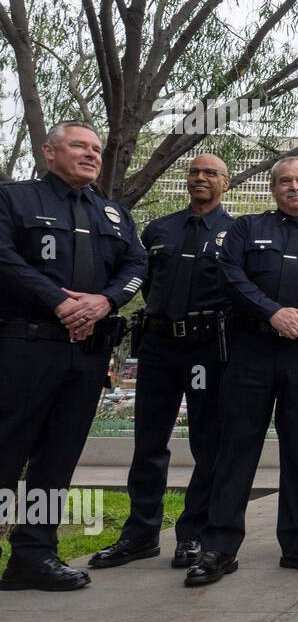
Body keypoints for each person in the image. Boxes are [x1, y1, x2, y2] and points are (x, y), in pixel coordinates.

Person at [185, 156, 298, 587]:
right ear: (273, 188)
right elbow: (230, 276)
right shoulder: (245, 229)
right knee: (236, 449)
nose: (294, 187)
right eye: (285, 181)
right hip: (252, 352)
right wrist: (274, 312)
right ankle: (219, 547)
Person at [0, 121, 146, 591]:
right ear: (49, 152)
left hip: (85, 353)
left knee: (57, 458)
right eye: (79, 146)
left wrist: (105, 302)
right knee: (6, 450)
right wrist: (57, 301)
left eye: (97, 149)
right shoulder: (14, 199)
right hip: (25, 345)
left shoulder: (114, 215)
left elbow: (137, 265)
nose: (91, 155)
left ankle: (33, 556)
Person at [90, 154, 234, 571]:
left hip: (208, 349)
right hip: (158, 345)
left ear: (225, 183)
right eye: (194, 172)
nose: (200, 178)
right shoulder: (158, 230)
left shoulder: (236, 232)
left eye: (210, 173)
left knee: (207, 445)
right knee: (149, 443)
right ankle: (140, 534)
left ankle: (193, 535)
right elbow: (145, 280)